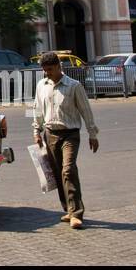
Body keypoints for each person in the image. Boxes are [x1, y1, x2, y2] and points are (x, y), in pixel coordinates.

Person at [32, 50, 100, 230]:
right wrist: (36, 131)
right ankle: (68, 209)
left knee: (68, 170)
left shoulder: (74, 86)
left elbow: (86, 111)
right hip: (50, 133)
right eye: (45, 70)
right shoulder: (42, 85)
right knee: (57, 173)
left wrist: (92, 134)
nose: (47, 73)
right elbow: (37, 109)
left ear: (59, 67)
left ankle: (77, 213)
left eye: (50, 69)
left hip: (70, 134)